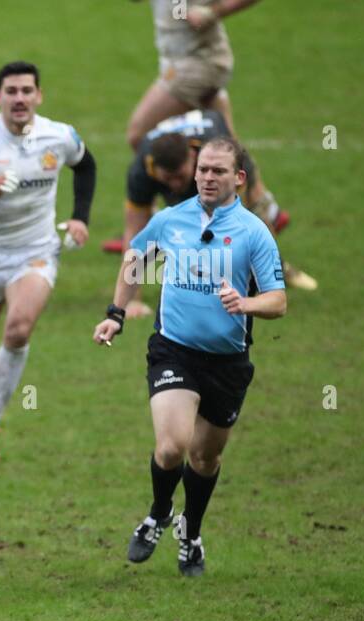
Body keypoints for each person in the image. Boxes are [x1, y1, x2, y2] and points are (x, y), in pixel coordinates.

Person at [93, 138, 285, 577]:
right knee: (171, 446)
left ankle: (190, 532)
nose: (207, 178)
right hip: (173, 350)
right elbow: (134, 258)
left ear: (239, 178)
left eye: (218, 171)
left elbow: (278, 300)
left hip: (228, 362)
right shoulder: (171, 220)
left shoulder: (254, 232)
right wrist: (116, 314)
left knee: (205, 459)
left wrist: (247, 304)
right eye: (202, 169)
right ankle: (160, 512)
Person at [0, 61, 96, 465]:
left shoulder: (59, 137)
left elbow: (86, 165)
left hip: (36, 250)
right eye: (12, 91)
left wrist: (80, 216)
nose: (20, 98)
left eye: (27, 90)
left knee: (20, 328)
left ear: (39, 96)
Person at [102, 109, 316, 316]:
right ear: (153, 168)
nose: (175, 184)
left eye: (179, 176)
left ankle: (275, 272)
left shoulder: (221, 157)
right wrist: (131, 302)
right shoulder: (140, 171)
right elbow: (134, 232)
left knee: (257, 215)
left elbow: (235, 219)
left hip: (223, 145)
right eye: (168, 178)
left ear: (192, 157)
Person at [125, 0, 262, 150]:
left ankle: (186, 170)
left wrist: (212, 12)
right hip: (192, 63)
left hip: (196, 65)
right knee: (227, 147)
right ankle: (237, 170)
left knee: (139, 135)